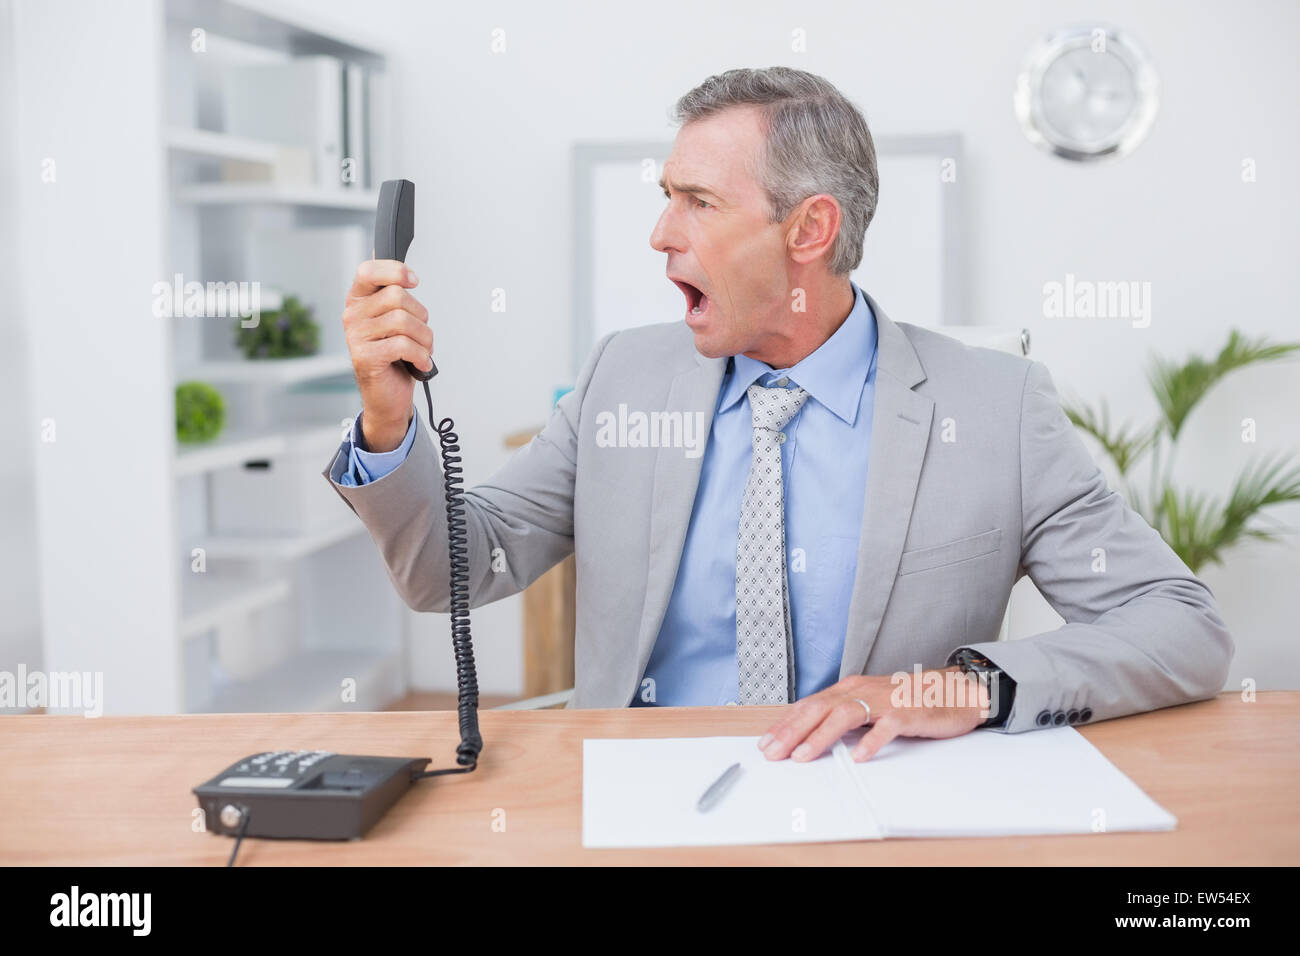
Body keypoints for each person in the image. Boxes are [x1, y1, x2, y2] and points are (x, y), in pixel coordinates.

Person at [323, 66, 1232, 764]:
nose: (661, 233)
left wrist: (964, 687)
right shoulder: (623, 378)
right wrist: (387, 420)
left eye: (699, 202)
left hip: (869, 799)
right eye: (664, 197)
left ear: (809, 231)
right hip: (636, 800)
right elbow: (455, 571)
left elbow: (1182, 627)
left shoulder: (992, 408)